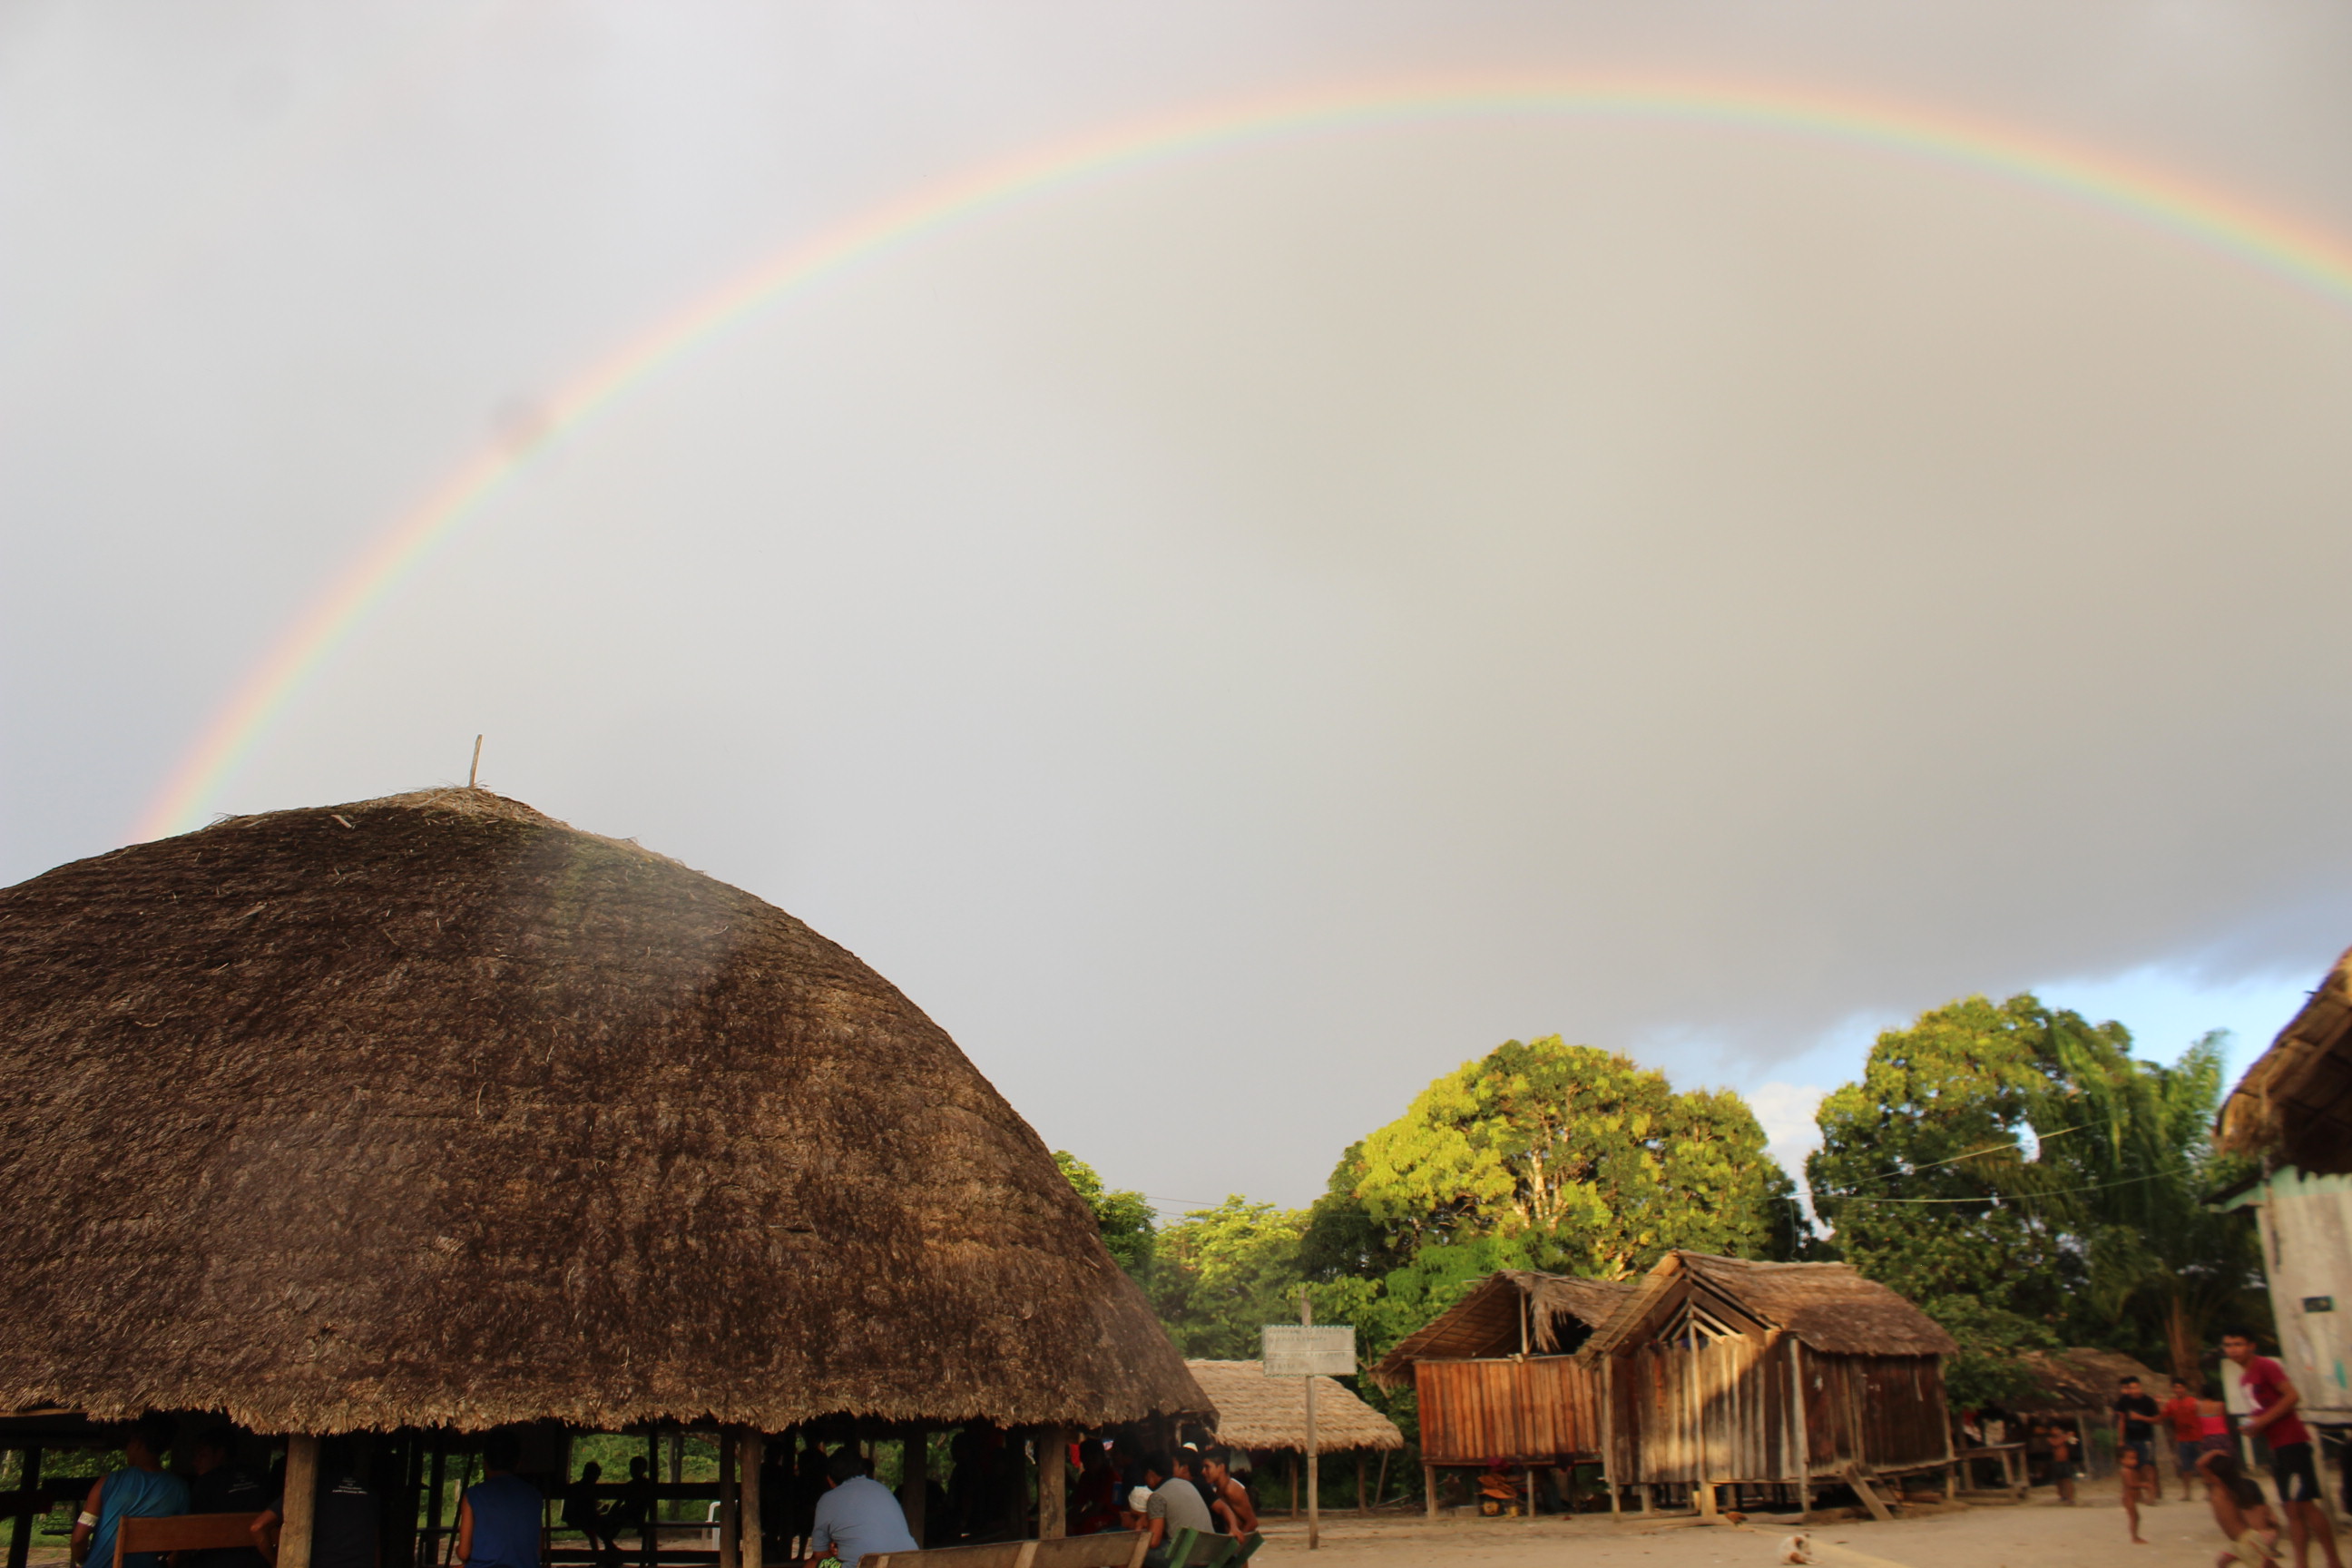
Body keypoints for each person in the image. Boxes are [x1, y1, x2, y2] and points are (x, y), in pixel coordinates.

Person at [2222, 1329, 2343, 1568]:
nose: (2233, 1349)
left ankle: (2333, 1561)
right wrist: (2253, 1427)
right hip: (2276, 1446)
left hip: (2292, 1442)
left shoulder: (2266, 1366)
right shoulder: (2244, 1378)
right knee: (2291, 1509)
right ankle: (2302, 1563)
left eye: (2238, 1344)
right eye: (2228, 1345)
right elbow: (2260, 1411)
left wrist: (2262, 1422)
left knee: (2306, 1505)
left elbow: (2291, 1397)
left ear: (2251, 1346)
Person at [73, 1414, 192, 1568]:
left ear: (136, 1443)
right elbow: (181, 1546)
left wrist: (82, 1559)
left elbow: (78, 1539)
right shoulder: (179, 1489)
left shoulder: (108, 1482)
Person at [253, 1439, 378, 1568]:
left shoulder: (309, 1491)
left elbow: (258, 1527)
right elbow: (375, 1542)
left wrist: (275, 1563)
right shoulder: (370, 1494)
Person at [802, 1448, 916, 1568]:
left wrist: (834, 1553)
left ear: (829, 1479)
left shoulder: (827, 1500)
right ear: (864, 1471)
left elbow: (819, 1554)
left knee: (811, 1565)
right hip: (910, 1562)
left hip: (865, 1565)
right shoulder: (883, 1489)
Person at [455, 1434, 543, 1568]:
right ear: (517, 1463)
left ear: (485, 1463)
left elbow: (464, 1553)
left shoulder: (474, 1495)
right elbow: (538, 1551)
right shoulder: (534, 1496)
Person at [188, 1428, 270, 1568]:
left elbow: (192, 1528)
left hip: (219, 1560)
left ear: (219, 1454)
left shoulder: (206, 1482)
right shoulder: (259, 1475)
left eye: (201, 1455)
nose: (195, 1462)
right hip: (259, 1559)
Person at [2205, 1453, 2285, 1567]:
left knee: (2264, 1564)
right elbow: (2274, 1521)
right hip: (2239, 1541)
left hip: (2246, 1539)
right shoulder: (2223, 1491)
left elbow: (2200, 1464)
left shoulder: (2224, 1492)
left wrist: (2215, 1452)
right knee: (2223, 1562)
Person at [1138, 1452, 1214, 1568]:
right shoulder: (1187, 1484)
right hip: (1208, 1553)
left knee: (1132, 1552)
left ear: (1150, 1473)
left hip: (1186, 1558)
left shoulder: (1158, 1496)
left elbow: (1153, 1541)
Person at [563, 1461, 622, 1568]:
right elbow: (586, 1513)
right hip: (578, 1519)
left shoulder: (578, 1487)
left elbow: (587, 1512)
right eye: (596, 1477)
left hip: (578, 1518)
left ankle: (607, 1554)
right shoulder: (586, 1488)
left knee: (596, 1526)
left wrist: (600, 1511)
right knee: (596, 1527)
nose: (596, 1480)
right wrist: (600, 1511)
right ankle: (609, 1552)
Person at [2116, 1377, 2163, 1506]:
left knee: (2148, 1466)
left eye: (2136, 1387)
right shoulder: (2124, 1401)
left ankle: (2151, 1495)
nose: (2133, 1390)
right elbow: (2121, 1420)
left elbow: (2158, 1420)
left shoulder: (2148, 1401)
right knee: (2132, 1467)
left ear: (2140, 1387)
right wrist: (2120, 1440)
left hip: (2145, 1438)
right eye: (2130, 1388)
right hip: (2130, 1438)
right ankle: (2138, 1495)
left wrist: (2140, 1418)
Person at [2165, 1378, 2209, 1503]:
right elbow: (2164, 1415)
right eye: (2176, 1387)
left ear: (2185, 1388)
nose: (2178, 1390)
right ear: (2173, 1389)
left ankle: (2208, 1491)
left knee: (2203, 1466)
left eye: (2181, 1387)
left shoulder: (2194, 1402)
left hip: (2197, 1437)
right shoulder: (2171, 1403)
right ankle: (2187, 1493)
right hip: (2182, 1439)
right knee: (2185, 1468)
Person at [1197, 1449, 1256, 1541]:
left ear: (1221, 1467)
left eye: (1207, 1467)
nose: (1203, 1472)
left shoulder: (1231, 1490)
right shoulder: (1218, 1489)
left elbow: (1252, 1522)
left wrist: (1235, 1546)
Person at [2122, 1446, 2151, 1545]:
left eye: (2135, 1458)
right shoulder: (2126, 1471)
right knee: (2134, 1518)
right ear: (2122, 1460)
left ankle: (2135, 1536)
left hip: (2133, 1498)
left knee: (2136, 1517)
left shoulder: (2133, 1470)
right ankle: (2134, 1537)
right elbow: (2131, 1484)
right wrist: (2144, 1485)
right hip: (2128, 1498)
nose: (2134, 1461)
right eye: (2131, 1459)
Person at [2043, 1420, 2079, 1505]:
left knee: (2068, 1479)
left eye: (2057, 1429)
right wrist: (2065, 1437)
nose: (2056, 1431)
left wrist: (2071, 1437)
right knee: (2059, 1480)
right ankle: (2062, 1495)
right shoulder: (2050, 1439)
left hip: (2066, 1462)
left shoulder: (2064, 1437)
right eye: (2054, 1429)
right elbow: (2055, 1444)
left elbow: (2074, 1442)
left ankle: (2071, 1498)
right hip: (2057, 1462)